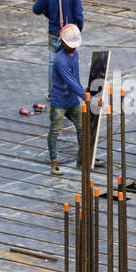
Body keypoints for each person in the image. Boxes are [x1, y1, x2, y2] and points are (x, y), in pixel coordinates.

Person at [48, 23, 96, 176]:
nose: (73, 48)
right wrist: (89, 98)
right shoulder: (60, 60)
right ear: (63, 42)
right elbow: (70, 82)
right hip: (59, 102)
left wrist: (83, 89)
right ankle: (54, 163)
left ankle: (85, 157)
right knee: (55, 131)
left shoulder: (75, 54)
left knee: (82, 128)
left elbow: (75, 79)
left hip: (72, 100)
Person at [33, 0, 83, 93]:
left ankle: (52, 92)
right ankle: (74, 91)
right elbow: (79, 16)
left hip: (54, 32)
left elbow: (36, 9)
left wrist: (48, 13)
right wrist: (78, 31)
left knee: (52, 63)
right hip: (70, 34)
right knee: (72, 61)